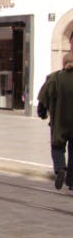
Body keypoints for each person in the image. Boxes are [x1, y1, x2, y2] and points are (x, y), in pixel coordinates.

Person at [38, 52, 73, 190]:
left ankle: (60, 168)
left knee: (57, 147)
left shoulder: (54, 78)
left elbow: (43, 97)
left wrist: (42, 113)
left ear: (63, 63)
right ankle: (71, 181)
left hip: (59, 121)